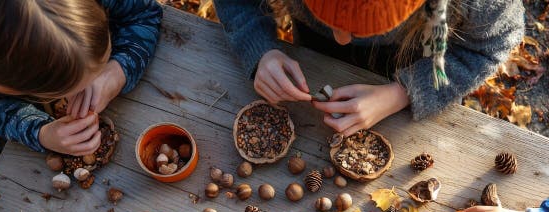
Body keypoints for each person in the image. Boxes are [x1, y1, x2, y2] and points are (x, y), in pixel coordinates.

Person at [213, 0, 524, 136]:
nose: (341, 40)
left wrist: (405, 92)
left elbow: (489, 47)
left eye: (361, 28)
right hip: (312, 52)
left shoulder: (480, 3)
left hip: (423, 61)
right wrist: (258, 47)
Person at [0, 0, 162, 155]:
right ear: (2, 89)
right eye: (72, 90)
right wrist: (39, 132)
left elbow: (143, 13)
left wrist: (117, 71)